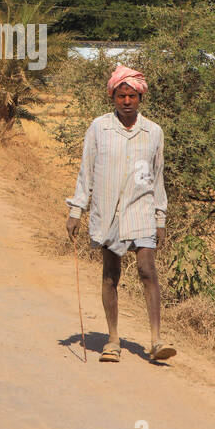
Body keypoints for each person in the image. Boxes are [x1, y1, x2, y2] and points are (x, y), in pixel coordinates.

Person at [66, 63, 175, 364]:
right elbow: (86, 172)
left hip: (141, 209)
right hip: (108, 211)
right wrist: (77, 210)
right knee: (110, 275)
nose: (127, 102)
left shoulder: (153, 132)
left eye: (132, 96)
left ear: (141, 98)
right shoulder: (99, 128)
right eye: (120, 96)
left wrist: (160, 218)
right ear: (112, 97)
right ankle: (112, 340)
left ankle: (156, 339)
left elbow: (158, 176)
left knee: (147, 270)